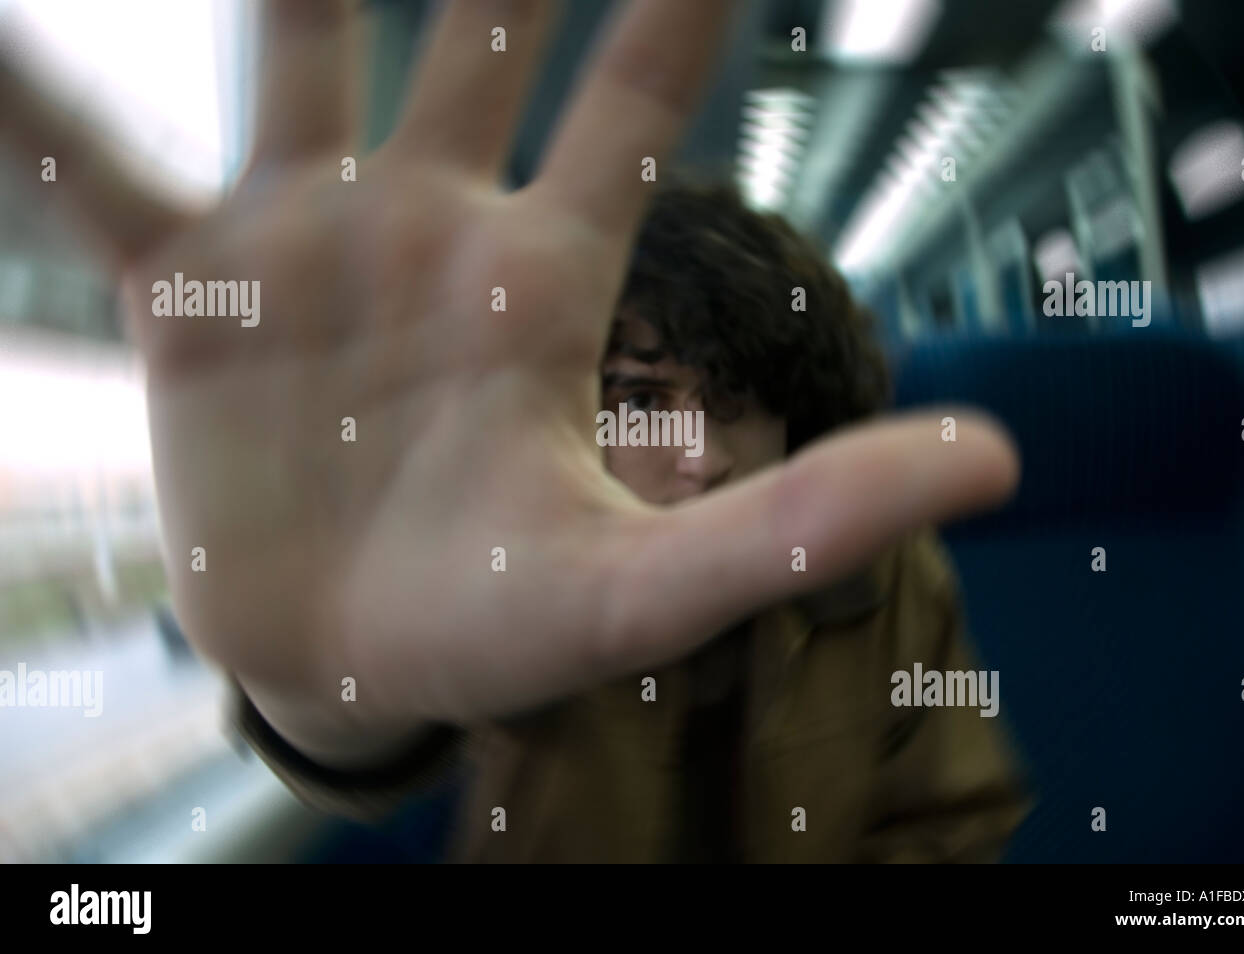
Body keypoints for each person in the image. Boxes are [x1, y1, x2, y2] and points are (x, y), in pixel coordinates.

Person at [1, 0, 1028, 862]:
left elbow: (952, 823)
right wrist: (314, 689)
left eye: (739, 404)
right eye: (637, 400)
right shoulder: (508, 563)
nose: (701, 457)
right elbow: (386, 741)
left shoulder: (883, 577)